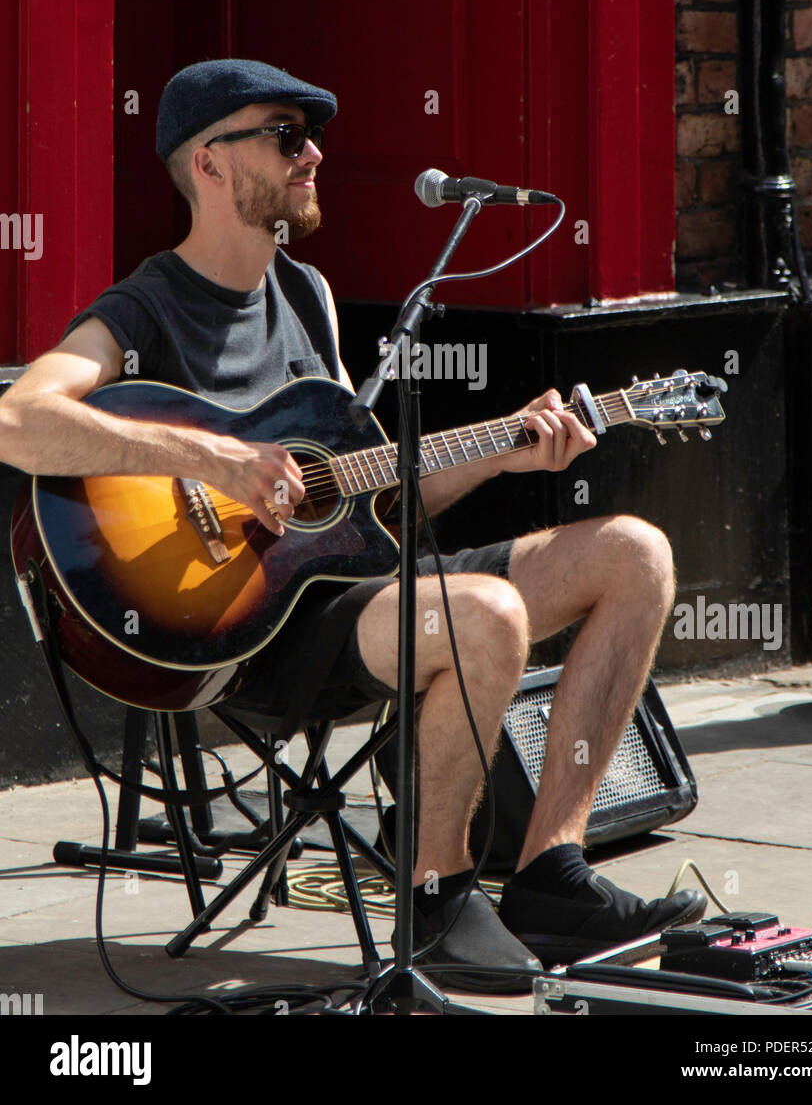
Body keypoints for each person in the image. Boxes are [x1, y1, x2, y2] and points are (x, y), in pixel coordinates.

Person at [0, 59, 705, 991]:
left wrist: (504, 452)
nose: (314, 154)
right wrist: (217, 463)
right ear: (209, 163)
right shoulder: (148, 306)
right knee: (484, 613)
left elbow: (372, 506)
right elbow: (19, 421)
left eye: (310, 136)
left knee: (635, 555)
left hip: (354, 595)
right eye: (286, 137)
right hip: (248, 634)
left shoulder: (308, 297)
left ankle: (549, 875)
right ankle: (437, 895)